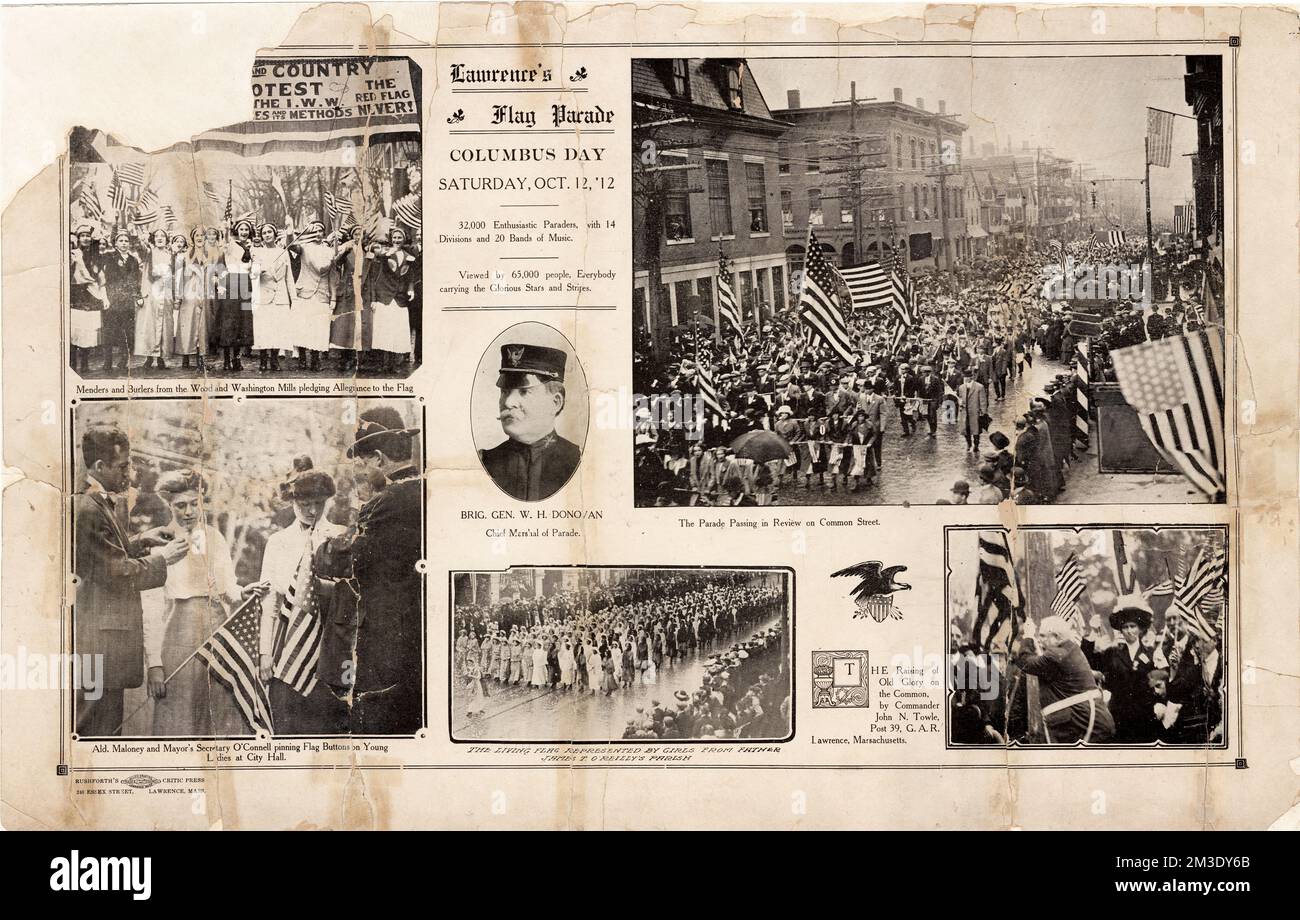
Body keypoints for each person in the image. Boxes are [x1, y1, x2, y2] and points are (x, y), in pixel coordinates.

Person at [74, 425, 188, 735]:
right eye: (123, 465)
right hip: (100, 644)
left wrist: (141, 539)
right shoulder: (88, 508)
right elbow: (114, 571)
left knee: (106, 726)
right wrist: (163, 559)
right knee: (96, 730)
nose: (130, 472)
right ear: (99, 467)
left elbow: (106, 553)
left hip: (105, 643)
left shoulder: (98, 502)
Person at [146, 470, 270, 736]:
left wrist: (243, 592)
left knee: (215, 708)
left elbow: (227, 588)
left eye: (194, 503)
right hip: (177, 636)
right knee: (177, 712)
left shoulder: (214, 537)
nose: (189, 511)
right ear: (169, 505)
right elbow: (152, 608)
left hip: (215, 630)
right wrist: (154, 663)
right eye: (180, 505)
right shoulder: (158, 543)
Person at [323, 407, 424, 734]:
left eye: (362, 464)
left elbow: (340, 560)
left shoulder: (389, 501)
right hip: (416, 633)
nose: (360, 473)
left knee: (378, 726)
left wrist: (327, 544)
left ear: (379, 459)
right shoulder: (423, 492)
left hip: (386, 640)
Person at [257, 459, 348, 734]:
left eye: (318, 503)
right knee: (287, 719)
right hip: (286, 639)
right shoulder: (278, 542)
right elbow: (270, 600)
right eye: (304, 503)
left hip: (329, 640)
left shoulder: (340, 537)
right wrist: (264, 653)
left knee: (326, 722)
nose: (311, 510)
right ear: (292, 502)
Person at [479, 343, 582, 501]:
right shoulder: (485, 462)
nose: (508, 402)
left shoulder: (577, 460)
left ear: (555, 403)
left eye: (524, 391)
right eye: (505, 391)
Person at [1012, 615, 1115, 744]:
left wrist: (1028, 636)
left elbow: (1025, 662)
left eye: (1043, 636)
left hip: (1085, 723)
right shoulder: (1070, 649)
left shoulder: (1056, 655)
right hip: (1088, 722)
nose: (1039, 639)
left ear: (1056, 637)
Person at [1082, 595, 1158, 743]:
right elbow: (1088, 662)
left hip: (1145, 716)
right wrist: (1093, 632)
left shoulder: (1151, 653)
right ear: (1121, 630)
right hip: (1119, 715)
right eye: (1125, 627)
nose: (1129, 631)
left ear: (1140, 628)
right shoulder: (1112, 653)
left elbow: (1160, 682)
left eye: (1132, 626)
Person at [367, 226, 415, 372]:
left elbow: (410, 276)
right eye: (394, 238)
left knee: (397, 330)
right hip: (385, 296)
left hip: (400, 297)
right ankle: (383, 363)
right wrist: (374, 298)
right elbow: (372, 250)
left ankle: (394, 364)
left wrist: (411, 289)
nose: (396, 240)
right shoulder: (384, 253)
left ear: (404, 239)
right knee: (384, 330)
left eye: (399, 238)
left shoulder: (409, 257)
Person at [288, 220, 334, 372]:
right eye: (314, 231)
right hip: (305, 292)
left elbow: (329, 272)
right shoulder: (304, 247)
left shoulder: (329, 250)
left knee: (318, 328)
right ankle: (302, 359)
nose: (318, 233)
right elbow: (291, 246)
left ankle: (316, 360)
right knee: (302, 326)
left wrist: (333, 296)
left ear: (324, 233)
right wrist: (290, 231)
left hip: (321, 293)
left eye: (320, 230)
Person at [252, 222, 295, 372]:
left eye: (270, 232)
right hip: (264, 295)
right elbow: (253, 275)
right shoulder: (257, 252)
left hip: (280, 295)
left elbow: (289, 277)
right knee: (264, 329)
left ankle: (274, 360)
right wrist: (258, 271)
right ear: (261, 236)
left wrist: (292, 298)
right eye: (264, 233)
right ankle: (263, 360)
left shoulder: (283, 252)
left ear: (275, 234)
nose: (267, 235)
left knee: (278, 329)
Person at [99, 229, 142, 373]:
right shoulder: (109, 256)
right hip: (112, 298)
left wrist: (137, 296)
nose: (124, 244)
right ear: (116, 243)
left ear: (129, 244)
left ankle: (124, 360)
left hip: (127, 300)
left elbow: (136, 280)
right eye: (121, 241)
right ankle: (107, 362)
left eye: (126, 241)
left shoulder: (133, 260)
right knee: (109, 331)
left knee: (127, 332)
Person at [135, 228, 176, 370]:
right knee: (150, 326)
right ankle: (148, 357)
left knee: (164, 326)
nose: (159, 238)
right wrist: (136, 232)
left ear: (166, 239)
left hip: (165, 293)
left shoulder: (170, 255)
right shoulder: (148, 252)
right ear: (153, 238)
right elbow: (139, 246)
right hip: (151, 292)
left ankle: (161, 358)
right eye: (157, 236)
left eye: (162, 236)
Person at [69, 225, 107, 373]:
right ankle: (72, 363)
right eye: (82, 235)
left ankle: (85, 363)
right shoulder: (73, 254)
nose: (85, 238)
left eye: (87, 236)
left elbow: (100, 277)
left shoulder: (95, 255)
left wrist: (103, 295)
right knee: (75, 330)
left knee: (88, 330)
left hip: (93, 294)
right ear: (78, 238)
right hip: (78, 294)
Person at [956, 368, 988, 453]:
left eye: (968, 377)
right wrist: (959, 403)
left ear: (972, 377)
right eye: (965, 377)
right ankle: (968, 444)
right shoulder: (961, 387)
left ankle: (976, 445)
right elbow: (960, 398)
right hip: (964, 412)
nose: (966, 379)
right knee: (966, 430)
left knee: (976, 430)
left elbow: (983, 400)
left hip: (975, 412)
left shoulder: (979, 387)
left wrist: (983, 412)